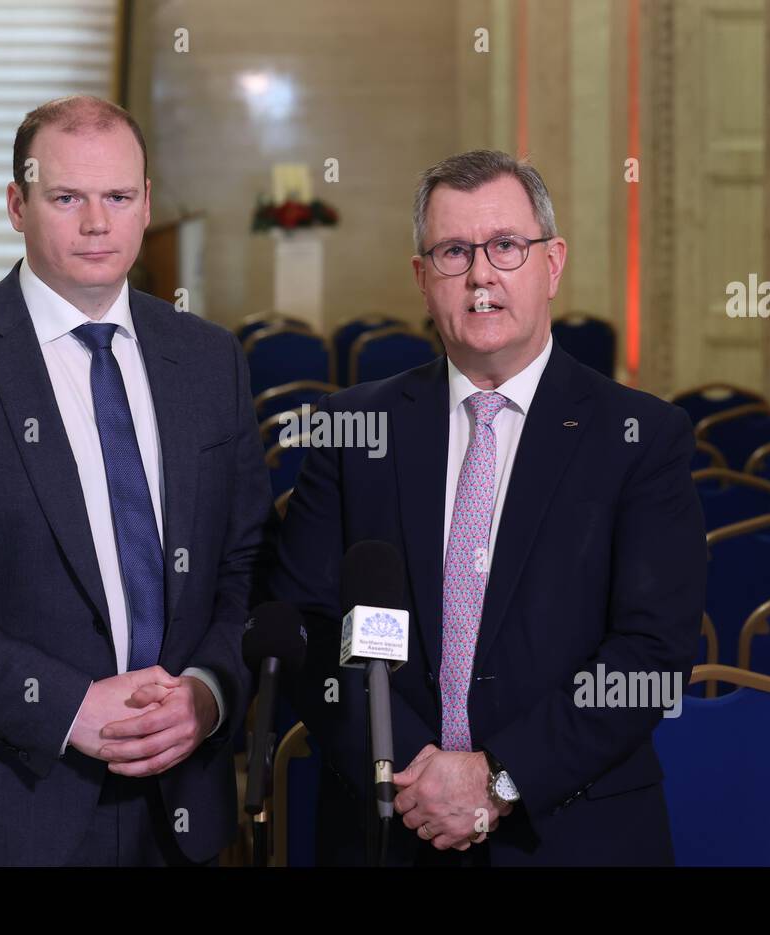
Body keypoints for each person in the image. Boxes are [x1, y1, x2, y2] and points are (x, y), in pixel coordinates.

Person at [0, 95, 272, 866]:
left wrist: (208, 694)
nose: (95, 224)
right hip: (8, 805)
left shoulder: (209, 359)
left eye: (117, 197)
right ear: (17, 204)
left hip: (179, 807)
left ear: (146, 204)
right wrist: (67, 707)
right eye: (66, 197)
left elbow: (245, 566)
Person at [270, 149, 706, 865]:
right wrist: (418, 776)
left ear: (552, 263)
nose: (480, 275)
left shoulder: (641, 438)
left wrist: (499, 779)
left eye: (506, 246)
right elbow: (308, 628)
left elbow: (651, 655)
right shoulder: (352, 432)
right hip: (387, 826)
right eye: (452, 252)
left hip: (572, 831)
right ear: (421, 277)